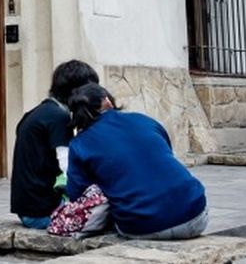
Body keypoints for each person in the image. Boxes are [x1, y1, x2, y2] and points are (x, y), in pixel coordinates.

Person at [66, 84, 209, 240]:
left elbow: (77, 195)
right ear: (107, 101)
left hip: (143, 226)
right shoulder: (144, 120)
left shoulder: (79, 144)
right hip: (196, 213)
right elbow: (165, 154)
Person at [10, 60, 99, 229]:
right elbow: (68, 169)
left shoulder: (37, 113)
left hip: (28, 210)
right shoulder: (59, 117)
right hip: (42, 212)